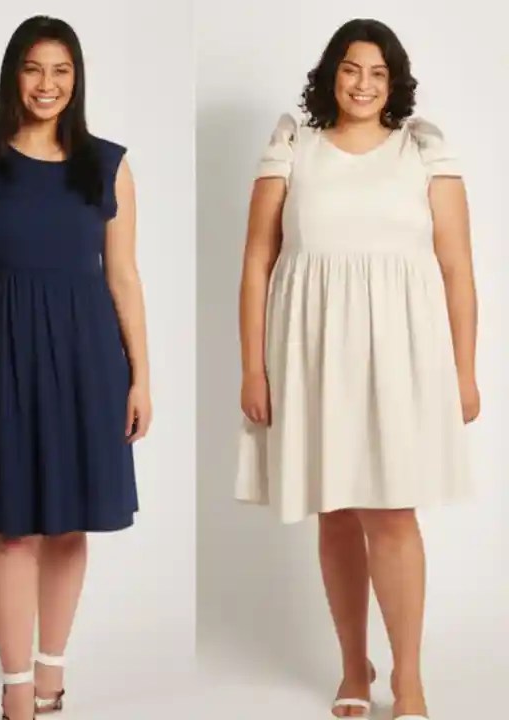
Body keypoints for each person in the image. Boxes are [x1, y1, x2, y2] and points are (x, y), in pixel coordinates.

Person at [236, 18, 478, 720]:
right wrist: (253, 367)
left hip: (402, 356)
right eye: (350, 70)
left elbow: (457, 269)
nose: (363, 84)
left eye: (377, 72)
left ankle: (410, 680)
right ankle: (353, 666)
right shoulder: (295, 147)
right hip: (310, 352)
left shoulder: (423, 150)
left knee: (392, 511)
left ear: (394, 80)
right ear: (330, 76)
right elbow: (257, 260)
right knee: (336, 511)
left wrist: (464, 371)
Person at [0, 16, 151, 720]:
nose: (47, 84)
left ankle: (53, 672)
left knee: (69, 523)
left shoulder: (108, 164)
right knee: (13, 525)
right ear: (12, 75)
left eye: (61, 71)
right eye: (34, 69)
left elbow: (124, 277)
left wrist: (141, 376)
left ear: (77, 79)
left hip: (88, 355)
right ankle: (15, 685)